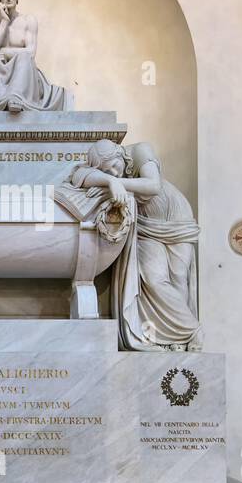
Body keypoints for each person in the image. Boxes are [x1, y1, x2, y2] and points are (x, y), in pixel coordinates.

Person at [62, 139, 202, 351]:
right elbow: (78, 176)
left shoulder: (140, 151)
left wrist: (117, 184)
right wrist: (109, 181)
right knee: (154, 279)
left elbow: (153, 185)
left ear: (120, 153)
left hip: (175, 217)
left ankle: (178, 340)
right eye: (108, 171)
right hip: (144, 224)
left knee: (179, 278)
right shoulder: (108, 175)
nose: (115, 173)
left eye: (115, 167)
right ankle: (192, 330)